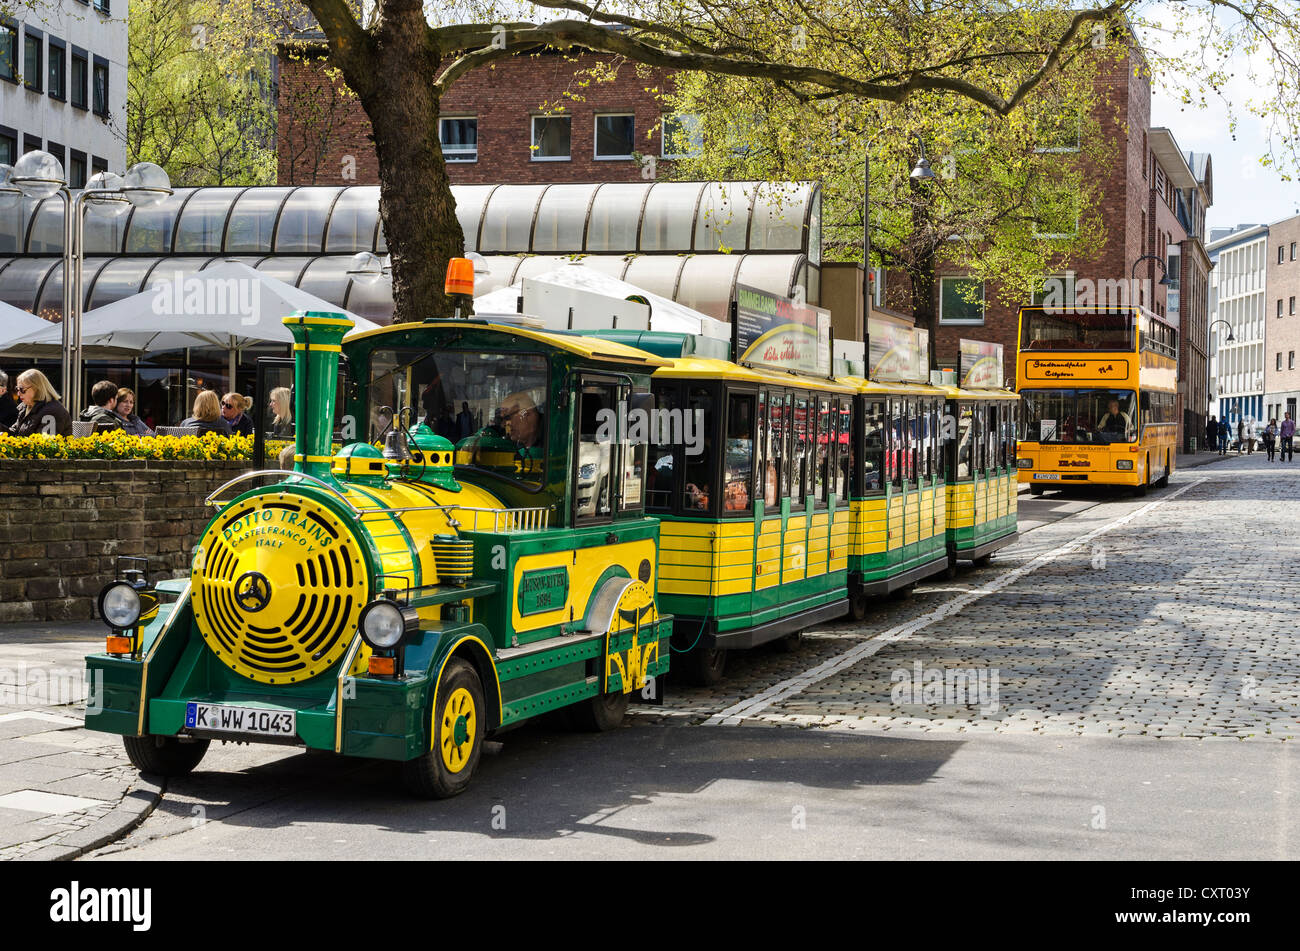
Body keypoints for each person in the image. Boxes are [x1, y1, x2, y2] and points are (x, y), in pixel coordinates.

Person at [7, 369, 73, 436]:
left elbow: (45, 443)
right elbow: (15, 432)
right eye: (17, 389)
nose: (18, 394)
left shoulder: (52, 411)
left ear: (37, 388)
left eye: (22, 389)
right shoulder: (25, 406)